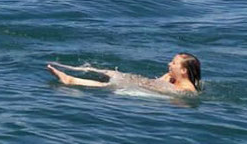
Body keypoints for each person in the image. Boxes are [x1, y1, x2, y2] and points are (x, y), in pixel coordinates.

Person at [46, 53, 202, 95]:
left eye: (173, 63)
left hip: (142, 89)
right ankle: (77, 68)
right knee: (112, 73)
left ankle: (70, 79)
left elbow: (169, 95)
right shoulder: (173, 78)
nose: (169, 64)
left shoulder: (187, 90)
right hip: (144, 83)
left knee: (109, 85)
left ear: (183, 70)